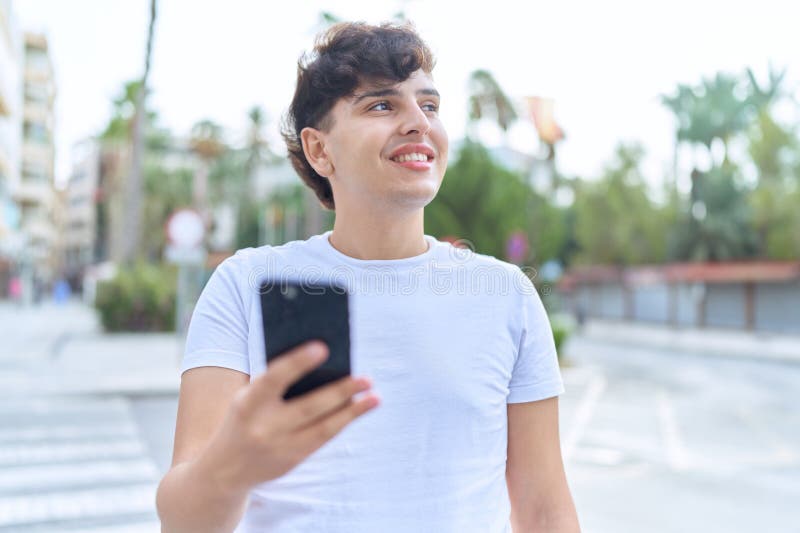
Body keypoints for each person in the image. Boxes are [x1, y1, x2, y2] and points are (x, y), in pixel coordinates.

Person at [157, 21, 580, 533]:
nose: (418, 123)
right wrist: (233, 461)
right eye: (382, 105)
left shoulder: (506, 294)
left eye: (429, 105)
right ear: (319, 150)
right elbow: (182, 522)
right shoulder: (244, 284)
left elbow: (544, 512)